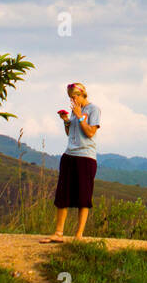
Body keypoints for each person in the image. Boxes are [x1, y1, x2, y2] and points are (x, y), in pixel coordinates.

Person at [39, 82, 101, 243]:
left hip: (86, 156)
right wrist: (67, 119)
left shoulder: (93, 110)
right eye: (70, 98)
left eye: (74, 97)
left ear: (82, 95)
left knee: (83, 196)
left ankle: (78, 235)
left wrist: (80, 115)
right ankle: (58, 233)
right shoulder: (75, 111)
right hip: (69, 155)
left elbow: (90, 132)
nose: (72, 100)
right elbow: (70, 133)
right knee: (63, 194)